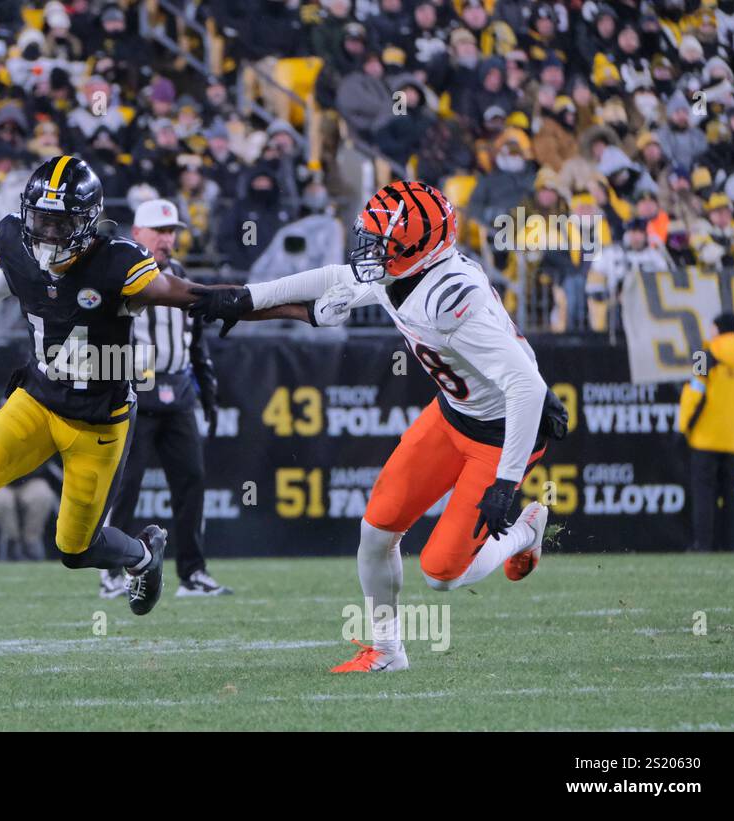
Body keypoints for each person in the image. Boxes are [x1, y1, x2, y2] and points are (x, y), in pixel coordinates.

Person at [191, 180, 568, 673]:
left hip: (501, 434)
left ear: (419, 248)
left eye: (383, 243)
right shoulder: (404, 271)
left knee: (441, 574)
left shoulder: (451, 298)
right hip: (454, 412)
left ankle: (524, 532)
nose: (370, 252)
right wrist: (244, 297)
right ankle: (387, 651)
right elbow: (329, 276)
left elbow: (525, 388)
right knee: (376, 531)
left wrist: (505, 481)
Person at [0, 156, 225, 676]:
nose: (47, 232)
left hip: (98, 424)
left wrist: (264, 300)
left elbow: (184, 295)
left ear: (88, 220)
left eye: (61, 223)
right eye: (40, 219)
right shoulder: (16, 237)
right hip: (36, 401)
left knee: (75, 550)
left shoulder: (117, 260)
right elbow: (9, 265)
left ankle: (143, 557)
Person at [99, 199, 231, 600]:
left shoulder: (179, 273)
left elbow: (196, 337)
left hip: (178, 393)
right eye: (159, 231)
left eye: (172, 231)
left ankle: (192, 573)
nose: (167, 239)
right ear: (137, 233)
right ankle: (111, 571)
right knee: (125, 486)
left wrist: (206, 387)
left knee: (191, 481)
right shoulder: (120, 273)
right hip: (133, 392)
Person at [678, 312, 734, 552]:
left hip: (705, 437)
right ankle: (730, 546)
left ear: (718, 329)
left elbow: (694, 391)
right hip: (733, 439)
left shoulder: (703, 355)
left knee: (704, 495)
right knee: (732, 496)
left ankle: (703, 545)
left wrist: (683, 426)